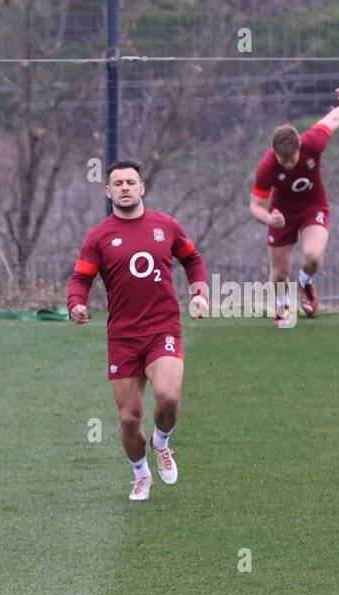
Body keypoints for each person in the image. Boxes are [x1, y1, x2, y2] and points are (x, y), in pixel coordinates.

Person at [68, 161, 209, 501]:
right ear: (108, 192)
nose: (125, 188)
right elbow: (81, 278)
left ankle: (161, 442)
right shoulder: (99, 236)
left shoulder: (165, 225)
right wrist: (76, 304)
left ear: (142, 188)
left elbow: (192, 259)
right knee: (129, 419)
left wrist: (200, 293)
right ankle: (141, 474)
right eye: (118, 184)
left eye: (131, 182)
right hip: (123, 336)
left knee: (169, 397)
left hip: (163, 328)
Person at [250, 88, 339, 323]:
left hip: (313, 207)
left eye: (292, 159)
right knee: (279, 273)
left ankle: (305, 283)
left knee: (313, 256)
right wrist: (269, 219)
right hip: (282, 215)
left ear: (299, 145)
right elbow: (255, 206)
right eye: (283, 160)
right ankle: (282, 306)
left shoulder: (313, 143)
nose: (288, 165)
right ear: (275, 153)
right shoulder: (267, 167)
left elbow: (333, 120)